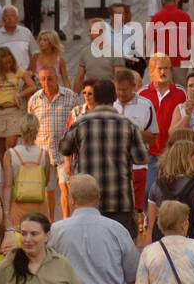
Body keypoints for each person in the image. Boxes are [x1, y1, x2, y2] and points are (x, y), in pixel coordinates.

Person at [59, 79, 149, 239]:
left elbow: (64, 148)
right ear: (114, 98)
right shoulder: (128, 125)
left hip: (87, 202)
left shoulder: (81, 123)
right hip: (119, 200)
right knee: (121, 248)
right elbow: (141, 158)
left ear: (95, 98)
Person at [0, 45, 37, 184]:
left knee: (10, 145)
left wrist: (19, 94)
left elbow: (32, 86)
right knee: (1, 147)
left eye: (10, 61)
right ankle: (7, 177)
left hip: (13, 110)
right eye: (5, 63)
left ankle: (13, 174)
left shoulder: (17, 71)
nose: (8, 65)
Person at [27, 67, 80, 219]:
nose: (46, 82)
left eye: (50, 78)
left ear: (57, 78)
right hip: (44, 152)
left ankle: (66, 219)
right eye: (43, 79)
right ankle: (50, 222)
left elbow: (78, 121)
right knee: (48, 190)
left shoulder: (70, 97)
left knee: (66, 188)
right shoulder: (34, 100)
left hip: (65, 153)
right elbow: (31, 127)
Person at [139, 53, 187, 201]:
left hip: (173, 153)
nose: (163, 72)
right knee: (148, 192)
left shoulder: (180, 92)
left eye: (166, 68)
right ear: (151, 70)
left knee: (174, 194)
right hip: (151, 154)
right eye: (159, 69)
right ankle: (149, 220)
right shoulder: (142, 94)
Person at [113, 70, 158, 225]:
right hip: (115, 168)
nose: (120, 93)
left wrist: (133, 131)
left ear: (133, 86)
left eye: (124, 89)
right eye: (118, 89)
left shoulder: (145, 105)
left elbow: (153, 138)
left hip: (139, 167)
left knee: (139, 211)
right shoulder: (110, 105)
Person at [146, 139, 194, 241]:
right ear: (187, 159)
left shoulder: (157, 186)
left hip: (163, 245)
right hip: (192, 244)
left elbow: (150, 227)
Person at [5, 114, 52, 225]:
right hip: (40, 204)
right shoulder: (43, 154)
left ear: (21, 130)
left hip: (18, 205)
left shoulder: (11, 154)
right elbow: (46, 181)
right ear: (37, 130)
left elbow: (7, 185)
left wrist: (6, 212)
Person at [0, 5, 40, 72]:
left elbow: (35, 54)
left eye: (12, 15)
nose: (10, 18)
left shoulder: (26, 32)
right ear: (3, 19)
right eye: (7, 16)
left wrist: (31, 72)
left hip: (25, 75)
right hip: (4, 78)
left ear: (17, 18)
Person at [77, 16, 124, 91]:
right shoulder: (85, 52)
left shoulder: (115, 52)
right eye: (89, 31)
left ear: (101, 32)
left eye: (92, 31)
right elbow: (79, 77)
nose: (90, 34)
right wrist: (75, 97)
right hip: (92, 95)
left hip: (108, 95)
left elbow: (119, 78)